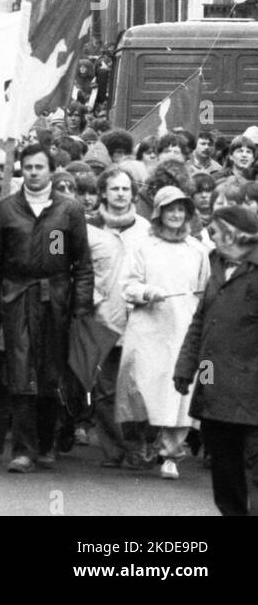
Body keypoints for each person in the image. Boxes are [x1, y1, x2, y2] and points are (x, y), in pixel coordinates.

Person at [0, 142, 94, 474]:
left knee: (50, 373)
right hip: (17, 297)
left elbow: (82, 264)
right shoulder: (6, 209)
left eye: (39, 167)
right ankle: (22, 450)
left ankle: (47, 443)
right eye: (27, 167)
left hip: (56, 300)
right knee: (20, 372)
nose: (32, 172)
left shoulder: (68, 211)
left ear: (50, 170)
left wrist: (80, 306)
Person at [117, 186, 209, 480]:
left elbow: (205, 289)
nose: (176, 215)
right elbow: (127, 285)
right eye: (170, 209)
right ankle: (143, 443)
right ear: (159, 213)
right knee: (142, 386)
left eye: (181, 210)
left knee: (178, 393)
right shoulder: (143, 246)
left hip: (183, 327)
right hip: (149, 327)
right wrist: (147, 292)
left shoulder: (197, 250)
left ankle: (172, 453)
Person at [174, 205, 258, 515]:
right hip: (213, 383)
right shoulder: (216, 262)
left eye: (217, 231)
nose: (211, 236)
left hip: (251, 393)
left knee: (253, 473)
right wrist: (186, 366)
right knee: (224, 470)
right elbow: (202, 320)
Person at [84, 166, 151, 469]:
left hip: (140, 320)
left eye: (125, 189)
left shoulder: (146, 229)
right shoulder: (88, 229)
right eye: (114, 189)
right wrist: (95, 303)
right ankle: (114, 448)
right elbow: (81, 272)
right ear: (103, 193)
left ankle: (137, 446)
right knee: (105, 389)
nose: (121, 194)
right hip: (103, 320)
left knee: (136, 388)